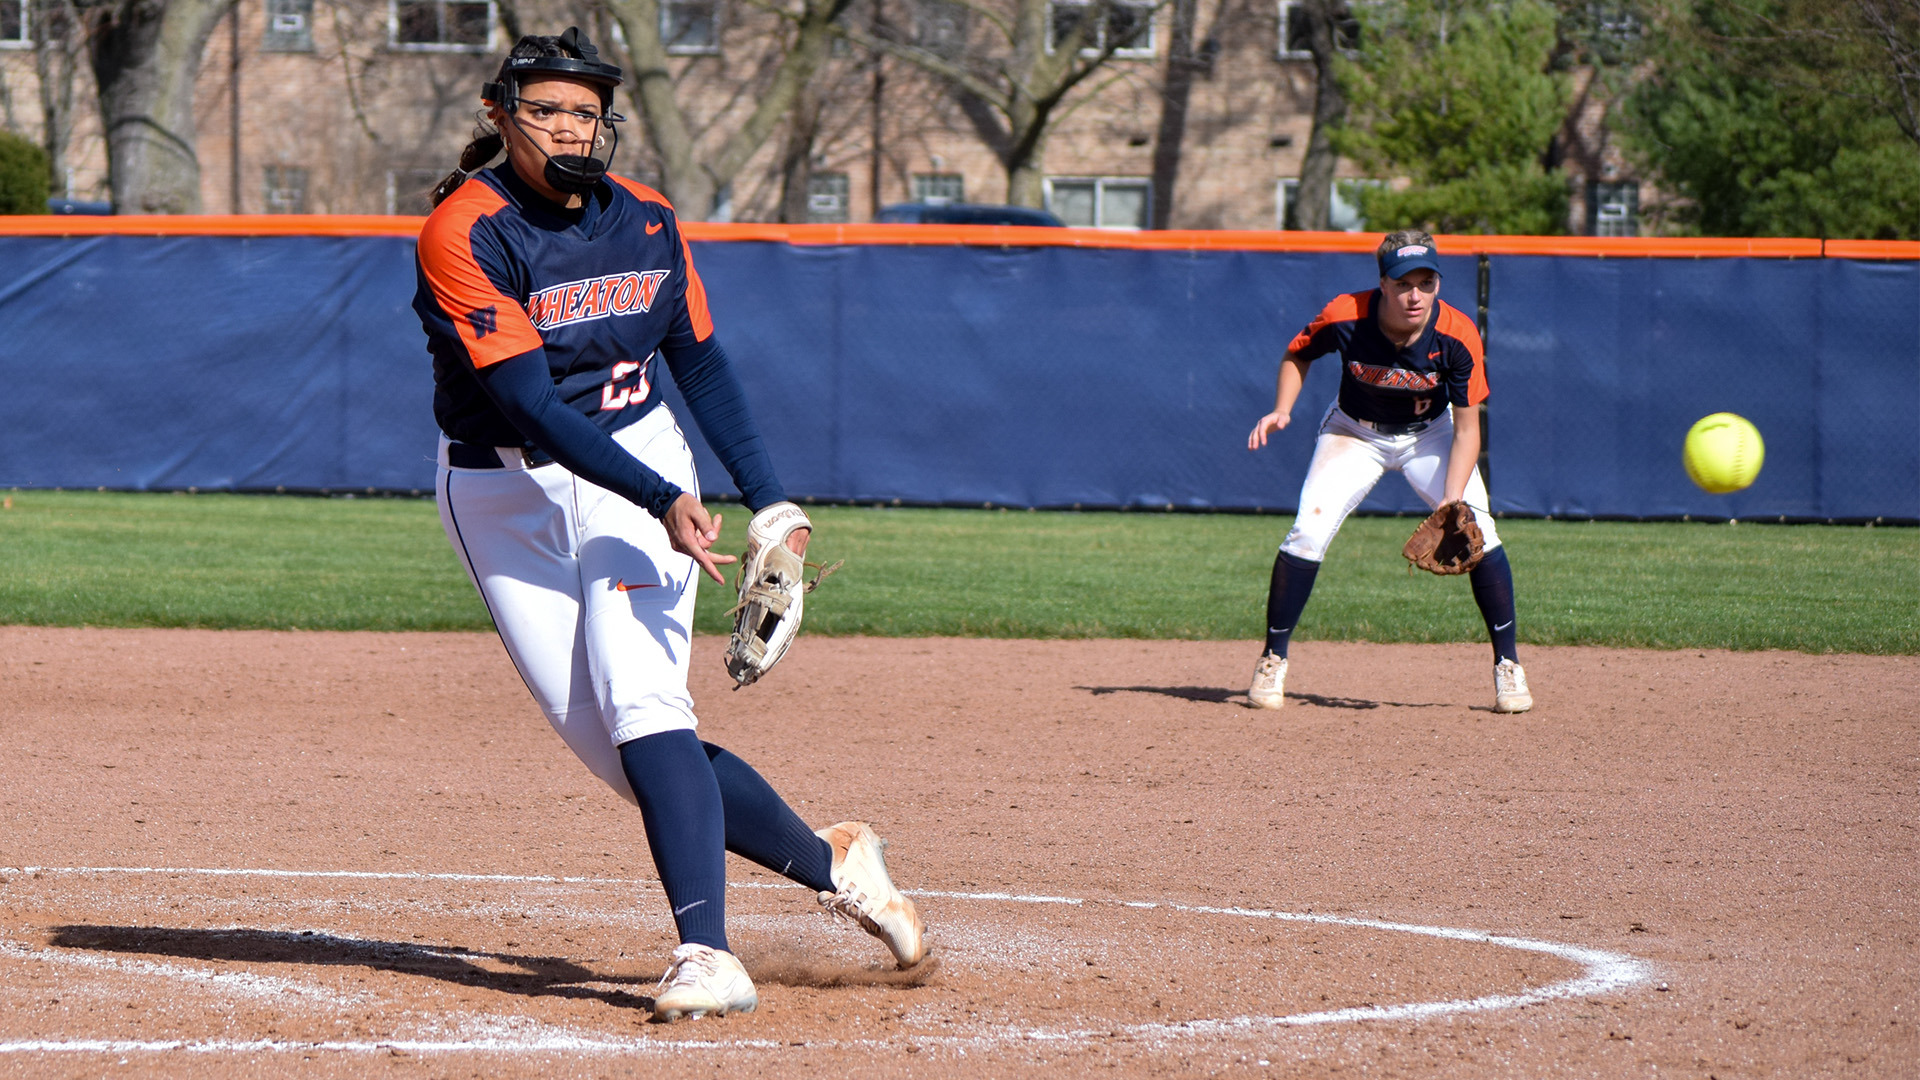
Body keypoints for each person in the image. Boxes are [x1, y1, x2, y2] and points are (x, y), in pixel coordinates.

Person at [412, 27, 929, 1022]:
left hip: (635, 461)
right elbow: (529, 406)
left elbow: (698, 359)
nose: (571, 125)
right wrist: (663, 500)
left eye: (587, 110)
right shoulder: (466, 231)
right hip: (502, 491)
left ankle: (706, 951)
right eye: (548, 107)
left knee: (648, 705)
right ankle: (838, 865)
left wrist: (768, 495)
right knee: (626, 763)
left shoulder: (646, 218)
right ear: (500, 114)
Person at [1245, 230, 1532, 714]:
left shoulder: (1457, 334)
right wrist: (1282, 408)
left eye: (1426, 281)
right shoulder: (1346, 315)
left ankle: (1509, 668)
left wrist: (1451, 496)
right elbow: (1299, 352)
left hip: (1431, 434)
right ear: (1383, 283)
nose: (1415, 294)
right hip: (1353, 432)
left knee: (1480, 530)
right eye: (1403, 283)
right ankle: (1272, 659)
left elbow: (1467, 431)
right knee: (1306, 535)